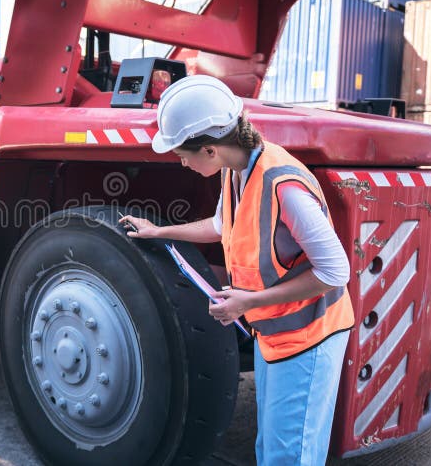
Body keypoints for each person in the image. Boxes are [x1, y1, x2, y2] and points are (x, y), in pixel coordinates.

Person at [120, 75, 354, 465]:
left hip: (310, 335)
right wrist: (160, 231)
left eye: (182, 154)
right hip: (276, 332)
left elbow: (335, 271)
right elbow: (220, 223)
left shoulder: (284, 187)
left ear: (210, 150)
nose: (181, 162)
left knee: (288, 457)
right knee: (270, 450)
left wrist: (249, 301)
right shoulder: (238, 169)